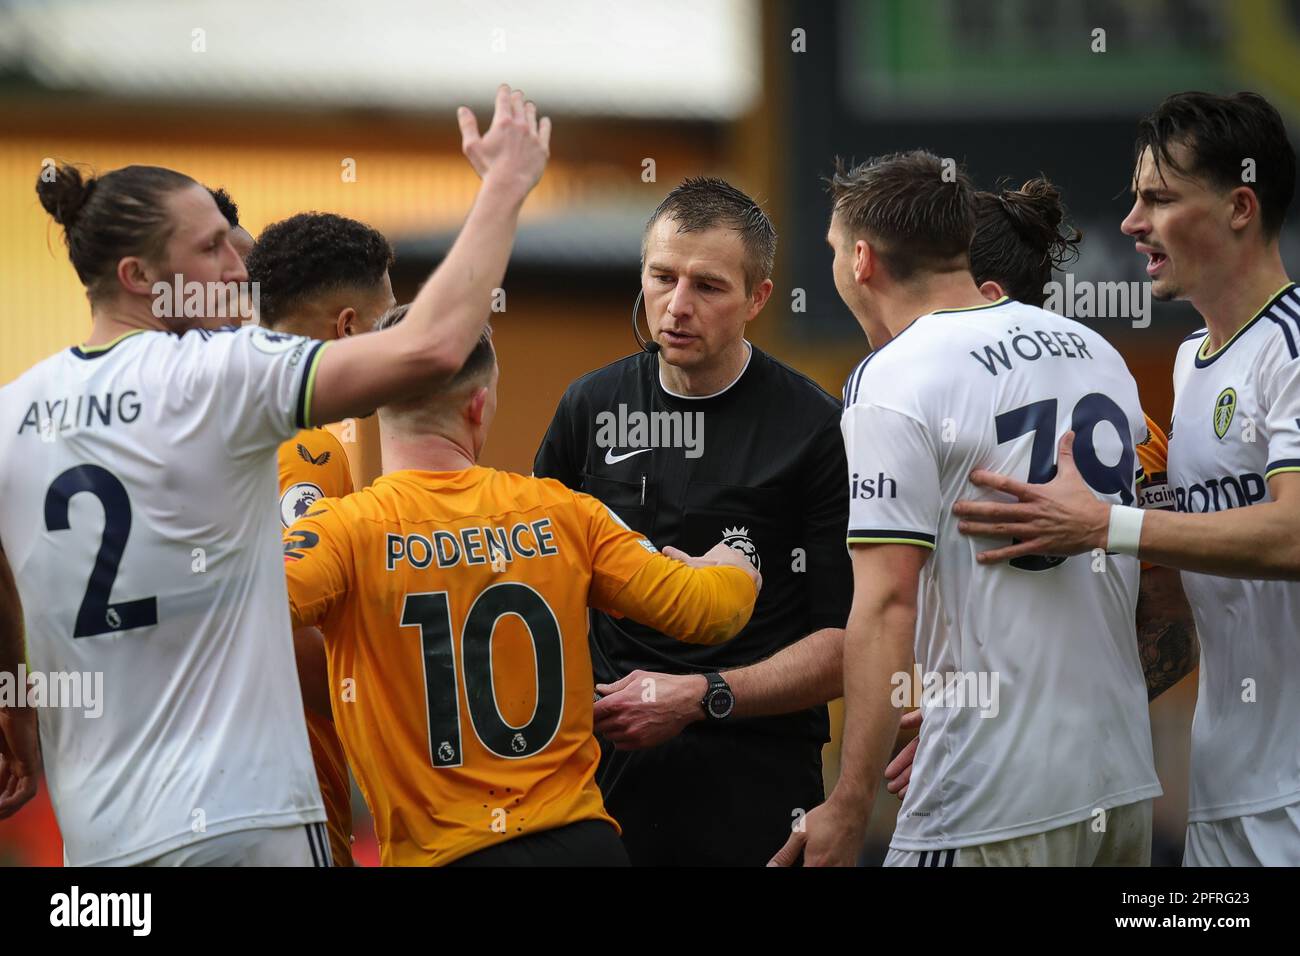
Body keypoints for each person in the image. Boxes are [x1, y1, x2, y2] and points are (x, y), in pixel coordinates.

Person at [0, 85, 551, 865]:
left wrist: (16, 704)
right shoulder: (218, 374)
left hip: (102, 851)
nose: (240, 265)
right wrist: (503, 187)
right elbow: (429, 349)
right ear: (136, 275)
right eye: (212, 249)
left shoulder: (11, 414)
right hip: (248, 821)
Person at [774, 150, 1160, 868]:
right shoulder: (1098, 352)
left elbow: (887, 604)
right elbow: (1148, 582)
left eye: (833, 251)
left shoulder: (893, 377)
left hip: (986, 804)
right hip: (1121, 787)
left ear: (861, 260)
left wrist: (851, 801)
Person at [953, 91, 1300, 865]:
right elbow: (1178, 589)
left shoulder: (1293, 347)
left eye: (1159, 199)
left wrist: (1105, 525)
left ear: (1241, 205)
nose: (1132, 223)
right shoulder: (1192, 361)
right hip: (1224, 789)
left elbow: (1294, 532)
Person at [281, 308, 761, 865]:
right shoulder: (563, 510)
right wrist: (737, 562)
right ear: (478, 405)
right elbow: (707, 612)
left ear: (377, 403)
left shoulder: (344, 532)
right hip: (584, 848)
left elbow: (233, 609)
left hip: (447, 856)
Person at [533, 177, 852, 866]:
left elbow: (846, 645)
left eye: (708, 287)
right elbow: (536, 585)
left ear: (758, 299)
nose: (676, 307)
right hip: (606, 779)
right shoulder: (590, 405)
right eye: (661, 277)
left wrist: (701, 695)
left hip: (756, 779)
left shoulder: (817, 430)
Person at [883, 177, 1197, 813]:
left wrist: (987, 725)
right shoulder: (1132, 417)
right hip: (1113, 781)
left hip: (993, 796)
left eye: (921, 288)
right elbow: (1171, 630)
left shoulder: (921, 407)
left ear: (989, 297)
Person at [244, 211, 398, 865]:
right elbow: (288, 623)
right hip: (285, 788)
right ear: (348, 327)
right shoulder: (305, 441)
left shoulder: (217, 412)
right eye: (388, 324)